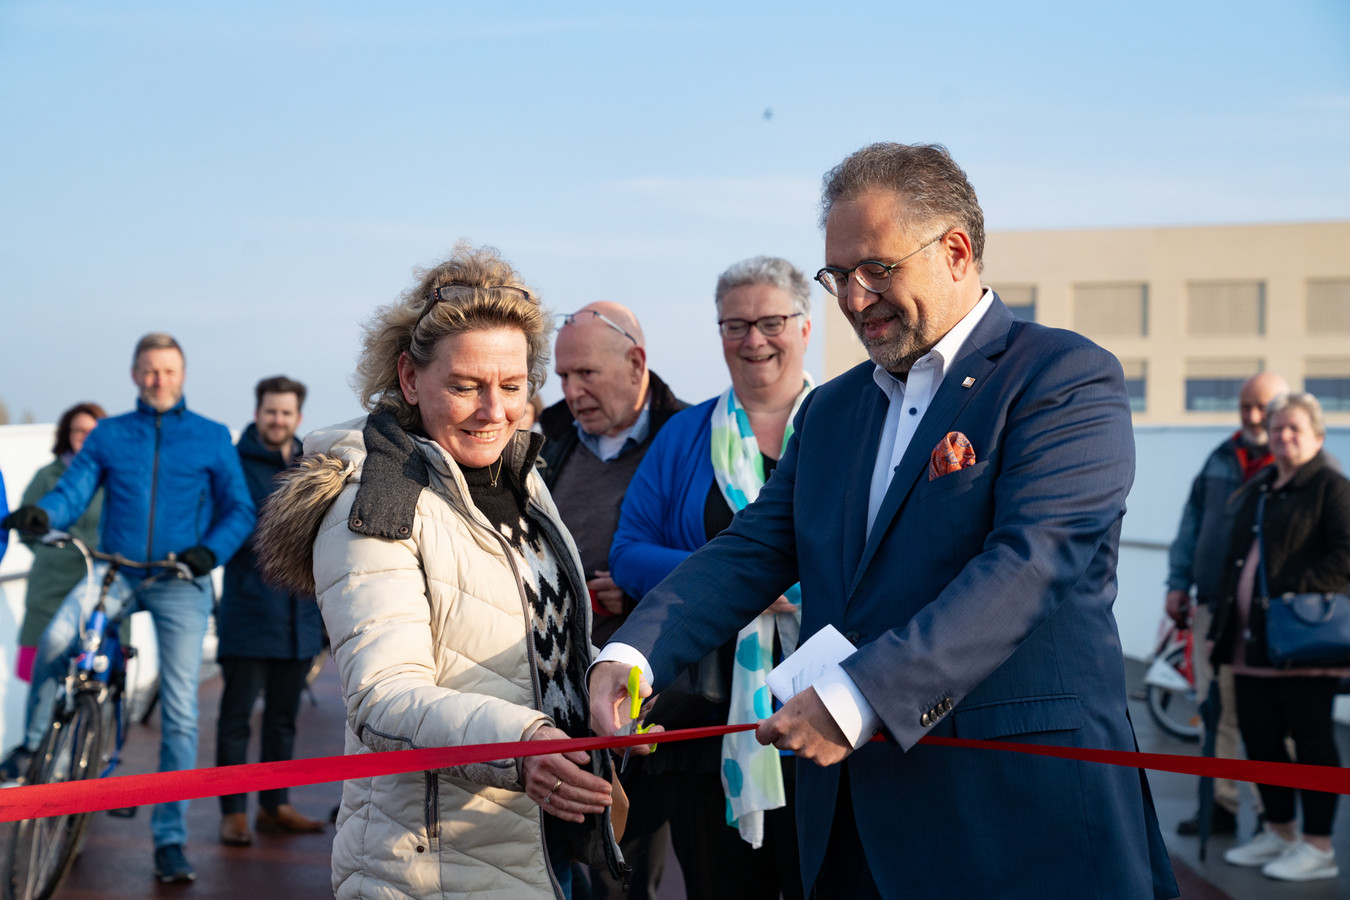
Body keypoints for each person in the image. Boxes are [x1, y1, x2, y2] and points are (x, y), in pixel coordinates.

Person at [589, 143, 1177, 900]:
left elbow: (1031, 566)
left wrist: (856, 697)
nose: (855, 298)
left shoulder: (1062, 378)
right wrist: (632, 656)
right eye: (839, 276)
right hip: (853, 831)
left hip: (1017, 817)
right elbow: (752, 550)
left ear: (956, 251)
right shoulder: (834, 410)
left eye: (878, 270)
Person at [253, 244, 624, 900]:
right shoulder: (378, 498)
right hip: (436, 868)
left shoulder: (521, 479)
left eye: (512, 387)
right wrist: (524, 742)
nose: (494, 411)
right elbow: (384, 697)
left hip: (538, 846)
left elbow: (537, 639)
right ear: (408, 377)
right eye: (464, 386)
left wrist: (602, 677)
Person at [0, 332, 255, 884]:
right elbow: (73, 490)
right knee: (56, 639)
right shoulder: (111, 434)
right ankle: (33, 745)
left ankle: (169, 838)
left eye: (167, 370)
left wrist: (208, 551)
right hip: (114, 570)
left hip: (177, 577)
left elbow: (239, 508)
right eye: (148, 370)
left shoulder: (211, 437)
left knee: (181, 710)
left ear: (181, 375)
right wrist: (44, 515)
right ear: (134, 374)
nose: (157, 379)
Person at [609, 256, 810, 900]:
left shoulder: (850, 425)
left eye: (771, 321)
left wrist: (797, 588)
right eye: (735, 326)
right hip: (706, 716)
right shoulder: (683, 436)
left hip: (823, 710)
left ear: (806, 327)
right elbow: (628, 550)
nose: (754, 340)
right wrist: (734, 583)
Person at [540, 301, 685, 900]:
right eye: (563, 377)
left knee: (631, 873)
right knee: (570, 867)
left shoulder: (692, 436)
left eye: (586, 375)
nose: (572, 392)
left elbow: (717, 555)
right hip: (557, 687)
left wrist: (637, 591)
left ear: (635, 362)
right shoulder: (539, 436)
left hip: (653, 694)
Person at [1209, 392, 1350, 882]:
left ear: (1317, 436)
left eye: (1294, 428)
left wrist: (1289, 594)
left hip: (1303, 643)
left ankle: (1319, 845)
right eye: (1277, 428)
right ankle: (1281, 831)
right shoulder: (1263, 487)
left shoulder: (1331, 487)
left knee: (1311, 741)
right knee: (1261, 738)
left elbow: (1346, 556)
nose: (1284, 436)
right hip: (1252, 643)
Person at [1165, 371, 1288, 837]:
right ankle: (1219, 804)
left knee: (1269, 717)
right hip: (1214, 607)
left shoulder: (1297, 463)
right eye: (1245, 407)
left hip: (1271, 616)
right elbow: (1191, 524)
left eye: (1262, 407)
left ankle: (1273, 815)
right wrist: (1177, 584)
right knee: (1215, 709)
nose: (1253, 417)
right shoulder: (1220, 457)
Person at [216, 376, 326, 847]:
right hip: (248, 611)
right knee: (237, 718)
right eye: (270, 412)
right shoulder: (233, 464)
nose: (277, 420)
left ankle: (274, 804)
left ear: (297, 417)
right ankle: (234, 811)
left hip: (298, 617)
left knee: (283, 719)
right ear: (257, 413)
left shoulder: (312, 465)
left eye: (286, 413)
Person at [14, 402, 107, 682]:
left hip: (96, 582)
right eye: (76, 430)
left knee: (95, 672)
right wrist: (49, 552)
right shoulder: (48, 475)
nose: (82, 436)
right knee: (38, 673)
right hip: (51, 586)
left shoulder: (113, 476)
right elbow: (25, 524)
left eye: (90, 431)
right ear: (66, 433)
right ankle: (40, 727)